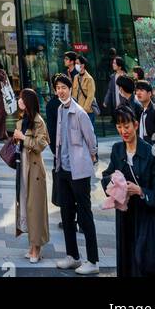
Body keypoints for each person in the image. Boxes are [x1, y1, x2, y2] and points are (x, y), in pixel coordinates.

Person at [101, 104, 155, 277]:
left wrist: (140, 191)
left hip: (147, 219)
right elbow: (106, 176)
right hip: (125, 217)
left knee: (143, 263)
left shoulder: (153, 154)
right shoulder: (117, 150)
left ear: (136, 125)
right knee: (127, 261)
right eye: (119, 127)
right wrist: (114, 183)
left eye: (127, 126)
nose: (123, 131)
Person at [52, 72, 99, 275]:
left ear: (70, 89)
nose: (61, 91)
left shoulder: (79, 112)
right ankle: (73, 256)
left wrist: (93, 156)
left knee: (85, 215)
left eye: (64, 87)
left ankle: (93, 261)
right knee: (67, 213)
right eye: (58, 88)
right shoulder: (60, 110)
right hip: (62, 169)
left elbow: (91, 139)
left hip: (79, 172)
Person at [11, 86, 49, 264]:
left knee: (36, 209)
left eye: (21, 98)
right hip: (23, 168)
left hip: (34, 170)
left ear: (28, 102)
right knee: (26, 206)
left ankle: (37, 248)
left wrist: (22, 138)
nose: (19, 101)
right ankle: (31, 246)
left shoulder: (38, 121)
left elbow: (42, 143)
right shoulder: (22, 120)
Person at [70, 56, 97, 130]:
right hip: (77, 111)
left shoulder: (89, 79)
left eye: (77, 63)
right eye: (75, 63)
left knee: (90, 133)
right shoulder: (76, 77)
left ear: (83, 65)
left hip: (87, 112)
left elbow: (90, 96)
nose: (76, 65)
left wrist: (84, 111)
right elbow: (74, 95)